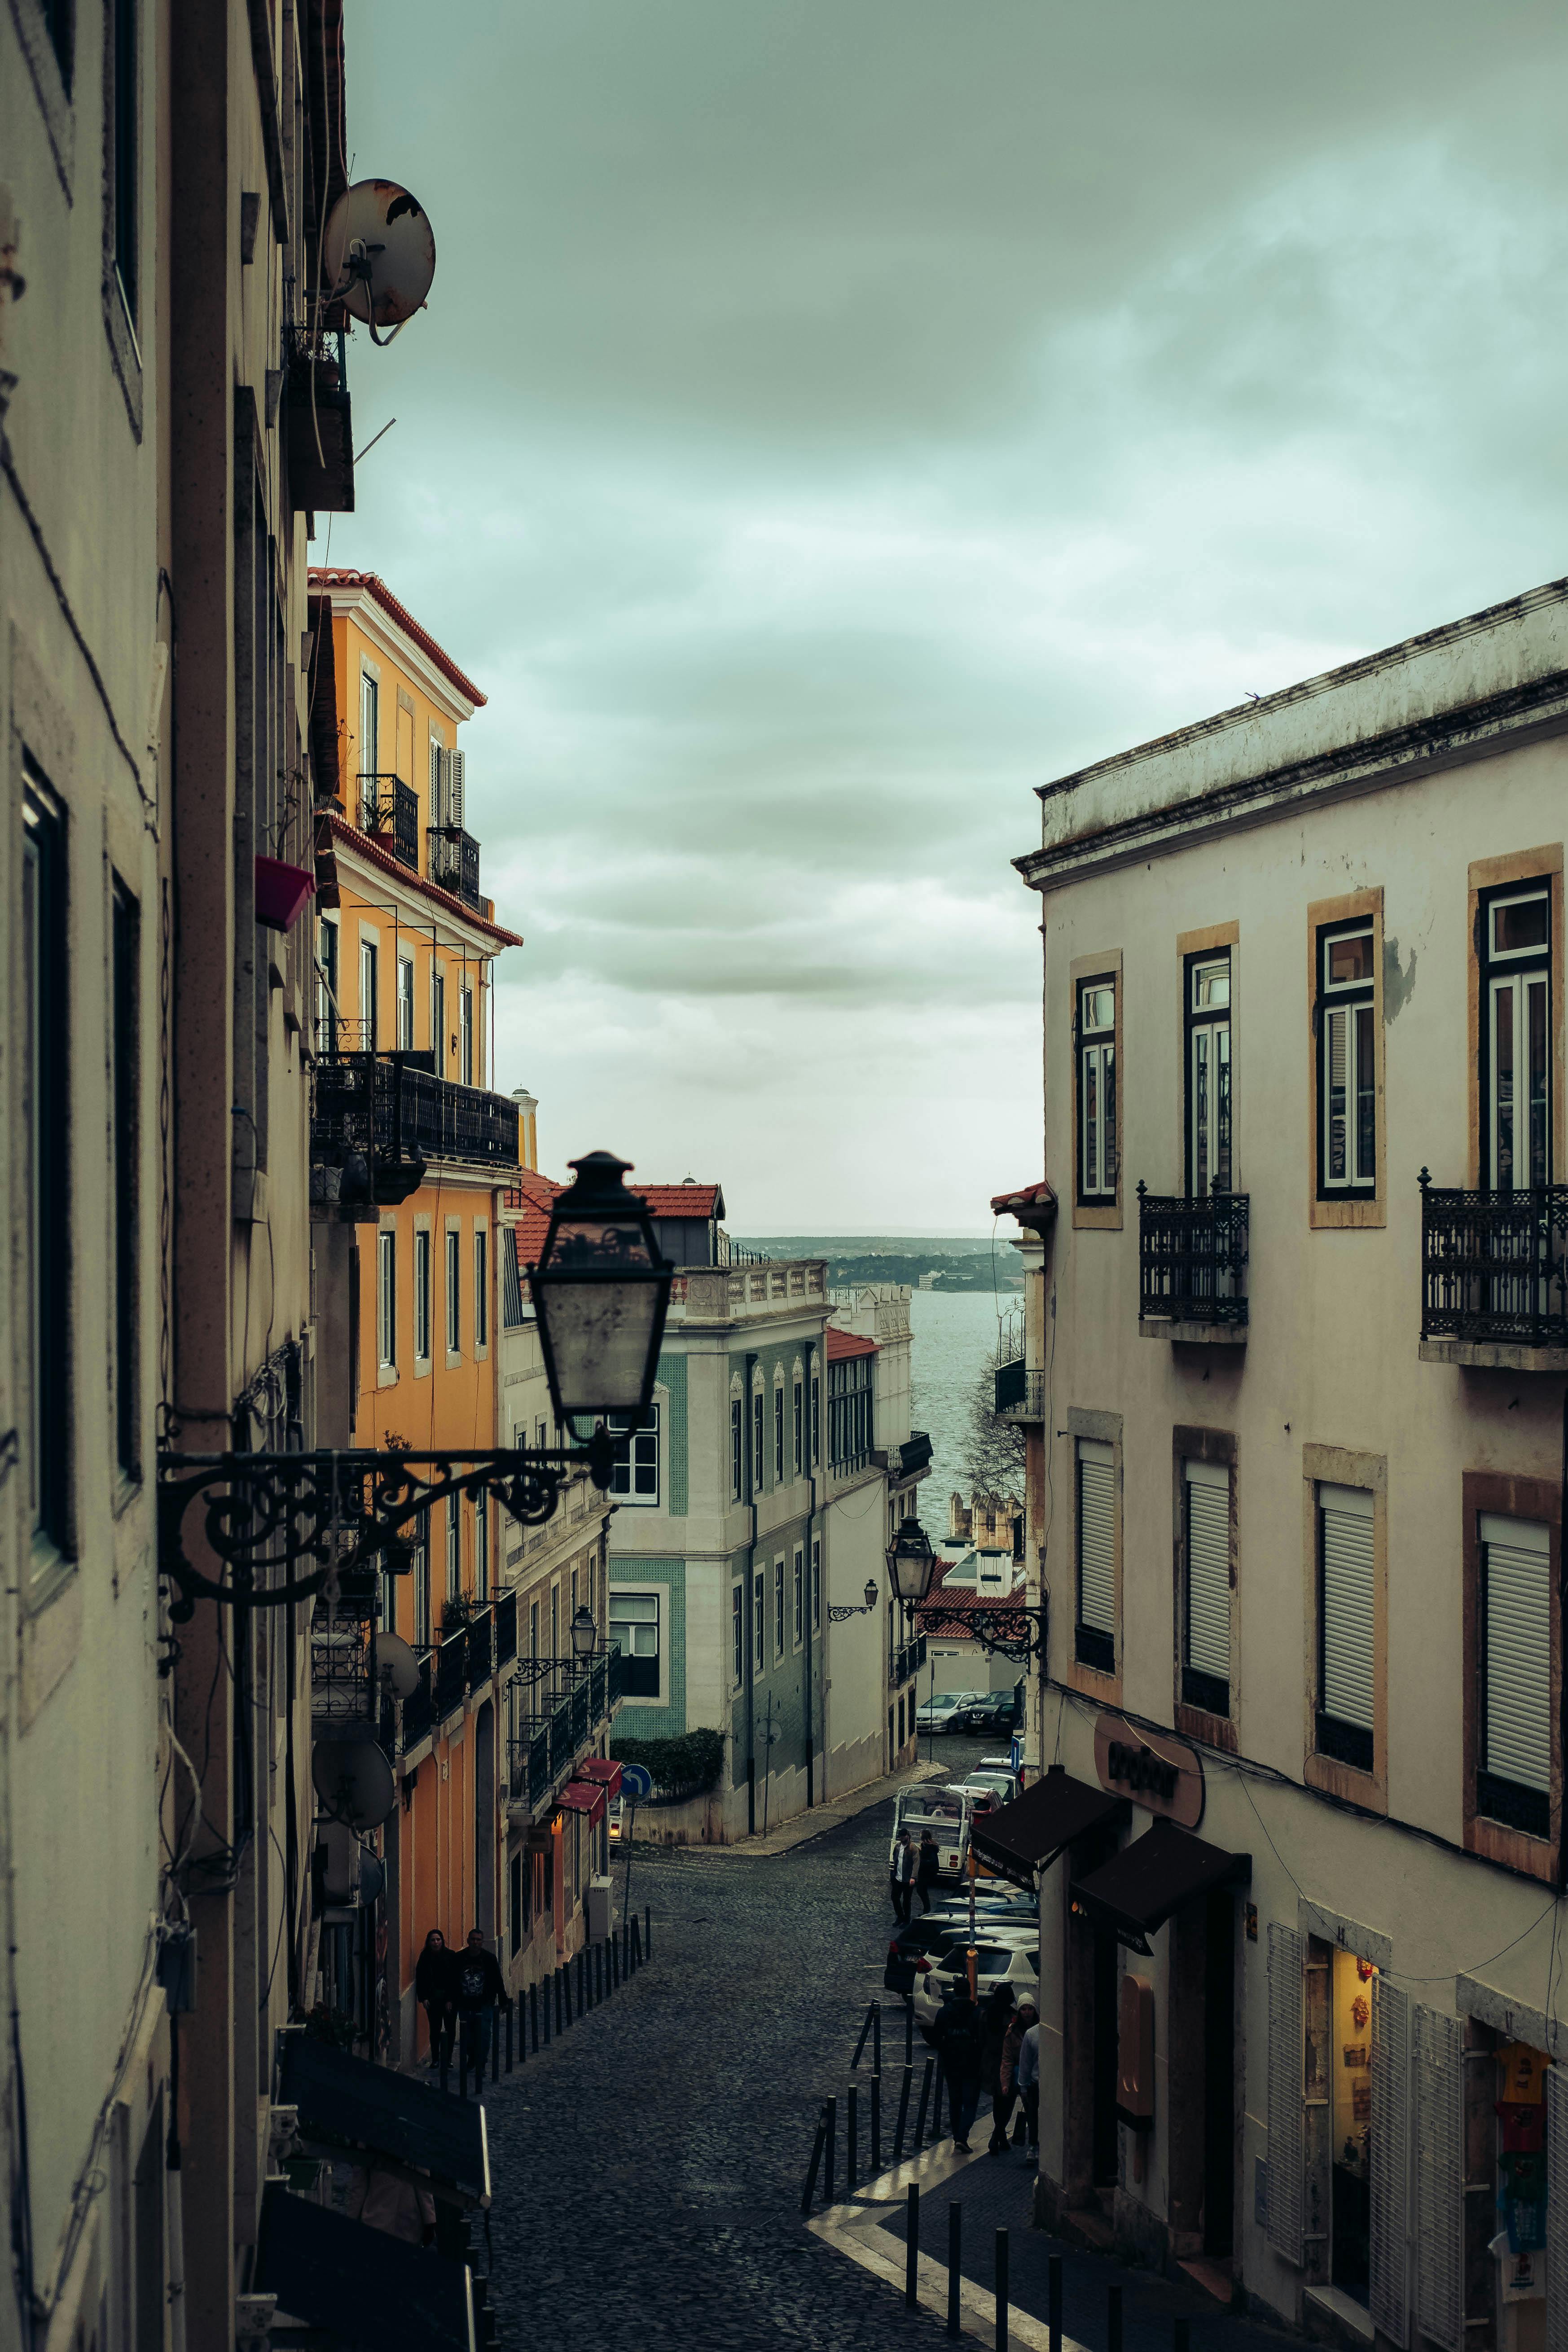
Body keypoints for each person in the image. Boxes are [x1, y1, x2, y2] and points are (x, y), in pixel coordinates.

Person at [930, 1980, 984, 2152]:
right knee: (970, 2103)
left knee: (955, 2101)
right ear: (969, 1992)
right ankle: (962, 2136)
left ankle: (957, 2137)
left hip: (951, 2063)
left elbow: (935, 2038)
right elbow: (983, 2040)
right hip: (972, 2064)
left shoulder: (944, 2012)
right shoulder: (977, 2013)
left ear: (954, 1992)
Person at [454, 1927, 506, 2087]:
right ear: (468, 1941)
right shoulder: (459, 1958)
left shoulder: (489, 1959)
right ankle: (472, 2059)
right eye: (473, 1939)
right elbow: (453, 1980)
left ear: (482, 1942)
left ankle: (481, 2064)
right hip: (465, 2003)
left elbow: (498, 1979)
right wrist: (451, 1999)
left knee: (484, 2035)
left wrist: (503, 2000)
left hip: (484, 2004)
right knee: (468, 2036)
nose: (476, 1943)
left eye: (478, 1940)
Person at [981, 1982, 1018, 2153]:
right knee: (1008, 2100)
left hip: (991, 2063)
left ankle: (1000, 2137)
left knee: (999, 2101)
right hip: (1006, 2063)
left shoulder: (987, 2015)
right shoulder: (1012, 2018)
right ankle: (997, 2135)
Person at [1000, 1998, 1038, 2155]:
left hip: (1033, 2077)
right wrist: (1005, 2082)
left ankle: (1034, 2143)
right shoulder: (1013, 2032)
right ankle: (1000, 2135)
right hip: (1019, 2076)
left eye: (1030, 2009)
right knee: (1010, 2109)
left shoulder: (1039, 2031)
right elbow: (1007, 2059)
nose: (1027, 2013)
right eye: (1024, 2009)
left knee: (1033, 2112)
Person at [415, 1929, 456, 2072]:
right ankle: (436, 2059)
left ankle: (449, 2058)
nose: (436, 1942)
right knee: (435, 2030)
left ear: (443, 1941)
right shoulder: (425, 1957)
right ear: (429, 1942)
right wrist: (424, 1998)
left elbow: (454, 1980)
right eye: (433, 1940)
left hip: (449, 2000)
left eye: (438, 1939)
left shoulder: (451, 1956)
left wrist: (451, 1999)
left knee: (451, 2029)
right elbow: (420, 1979)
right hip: (433, 2000)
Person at [1016, 2007, 1041, 2165]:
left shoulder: (1032, 2034)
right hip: (1035, 2084)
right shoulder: (1032, 2034)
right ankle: (1033, 2145)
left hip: (1049, 2083)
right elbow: (1025, 2062)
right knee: (1033, 2118)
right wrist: (1023, 2086)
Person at [889, 1831, 916, 1922]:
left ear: (908, 1836)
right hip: (897, 1878)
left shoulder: (913, 1849)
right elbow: (894, 1858)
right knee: (895, 1897)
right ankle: (900, 1916)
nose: (902, 1838)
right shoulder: (897, 1847)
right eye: (901, 1836)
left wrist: (913, 1877)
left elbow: (917, 1864)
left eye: (904, 1836)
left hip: (908, 1880)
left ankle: (907, 1919)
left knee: (907, 1900)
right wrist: (894, 1874)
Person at [915, 1831, 939, 1913]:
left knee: (921, 1890)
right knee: (922, 1890)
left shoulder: (930, 1848)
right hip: (923, 1872)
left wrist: (921, 1861)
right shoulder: (924, 1846)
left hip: (927, 1872)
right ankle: (926, 1909)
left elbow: (933, 1861)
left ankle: (927, 1909)